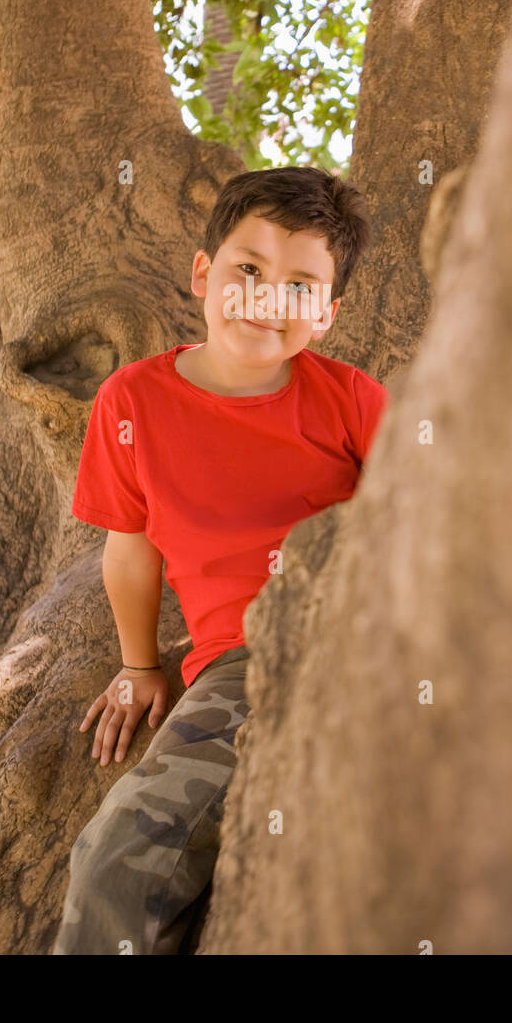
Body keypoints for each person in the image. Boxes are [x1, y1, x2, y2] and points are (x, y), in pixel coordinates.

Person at [51, 165, 390, 954]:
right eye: (249, 269)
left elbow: (418, 531)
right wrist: (141, 667)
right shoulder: (131, 403)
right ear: (204, 272)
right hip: (247, 662)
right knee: (115, 866)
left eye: (302, 285)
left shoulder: (355, 402)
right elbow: (129, 549)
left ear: (329, 313)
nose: (271, 300)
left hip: (368, 646)